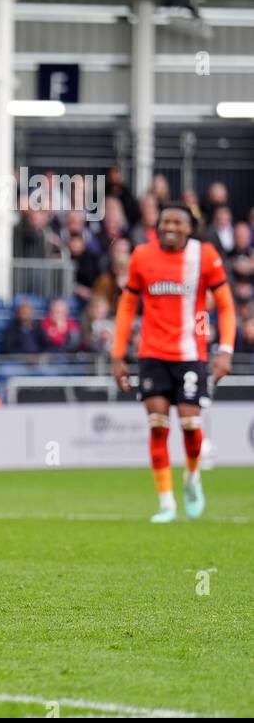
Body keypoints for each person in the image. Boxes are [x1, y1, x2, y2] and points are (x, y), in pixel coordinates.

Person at [112, 203, 236, 523]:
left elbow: (225, 306)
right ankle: (166, 503)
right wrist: (117, 354)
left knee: (191, 426)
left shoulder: (204, 256)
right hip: (152, 353)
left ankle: (192, 479)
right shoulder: (142, 256)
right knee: (157, 428)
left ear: (189, 228)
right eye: (165, 220)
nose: (170, 226)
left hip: (191, 354)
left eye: (177, 222)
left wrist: (225, 350)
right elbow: (127, 307)